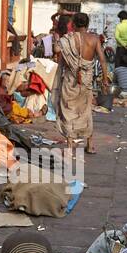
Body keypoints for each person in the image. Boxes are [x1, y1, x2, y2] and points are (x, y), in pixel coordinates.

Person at [53, 12, 100, 154]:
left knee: (68, 111)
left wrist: (58, 40)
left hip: (70, 80)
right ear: (87, 24)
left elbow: (56, 50)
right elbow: (103, 59)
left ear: (73, 25)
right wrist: (104, 79)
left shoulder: (67, 39)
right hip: (86, 81)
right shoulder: (94, 39)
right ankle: (90, 144)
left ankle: (70, 145)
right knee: (86, 111)